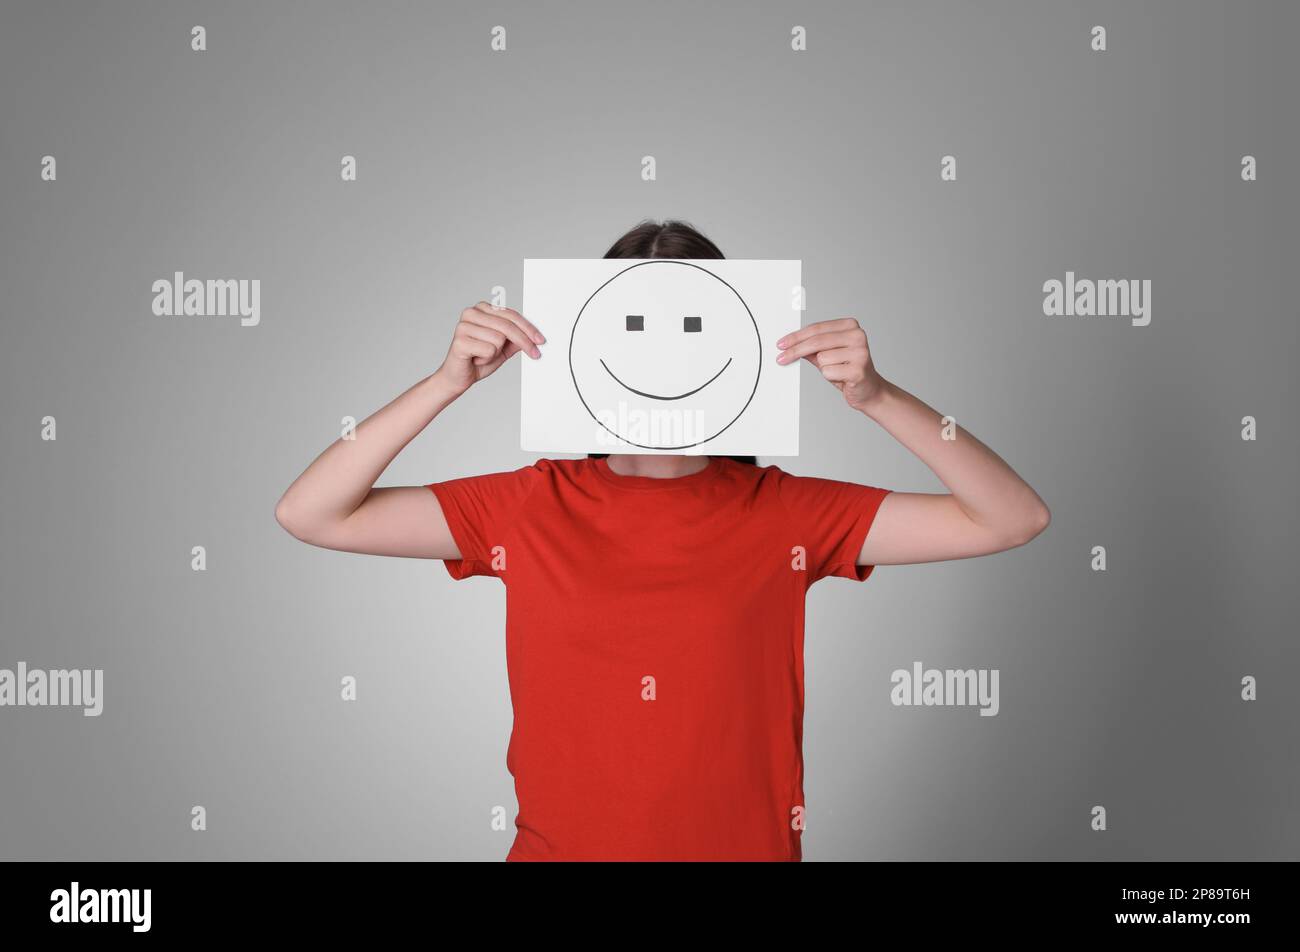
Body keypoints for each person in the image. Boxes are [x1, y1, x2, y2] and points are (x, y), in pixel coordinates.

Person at [274, 219, 1050, 861]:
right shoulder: (525, 506)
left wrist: (879, 398)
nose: (663, 352)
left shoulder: (786, 513)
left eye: (691, 325)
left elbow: (1011, 518)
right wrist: (446, 382)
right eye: (635, 324)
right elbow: (312, 512)